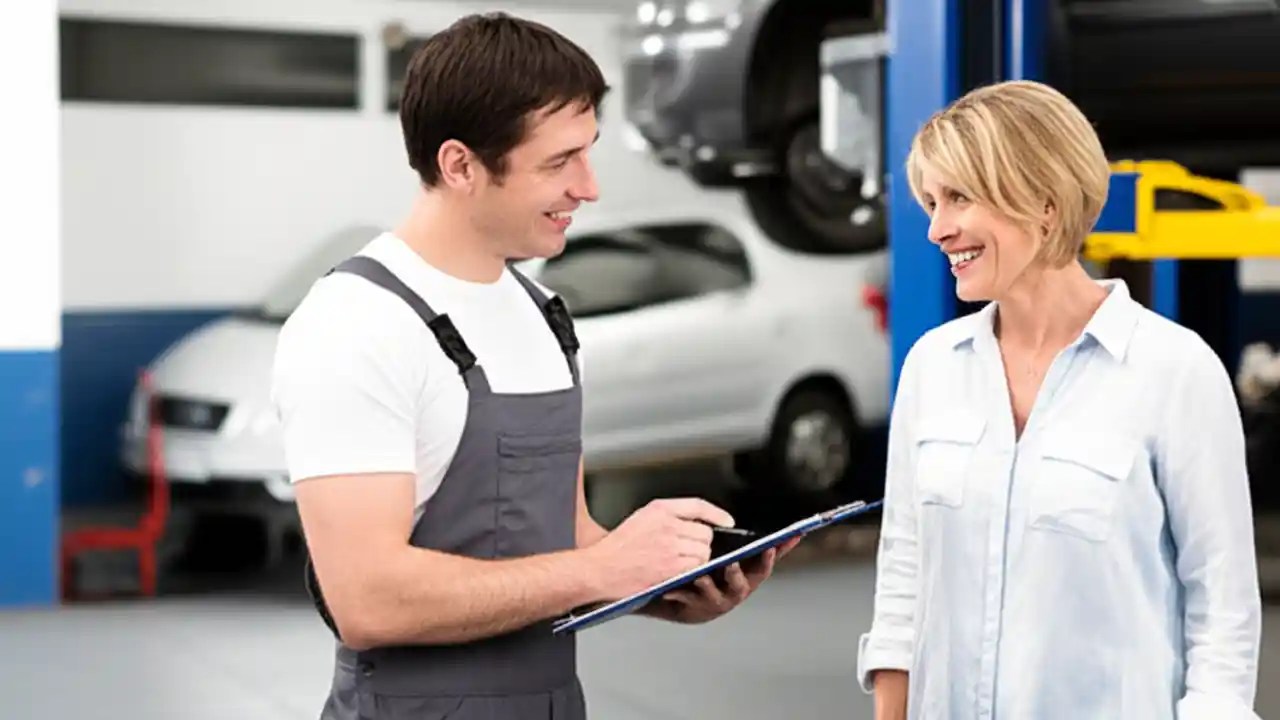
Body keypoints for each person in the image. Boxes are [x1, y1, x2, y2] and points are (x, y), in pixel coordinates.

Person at [271, 12, 796, 720]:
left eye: (589, 152)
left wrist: (662, 587)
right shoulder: (357, 324)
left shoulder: (542, 310)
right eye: (558, 162)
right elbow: (367, 598)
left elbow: (566, 543)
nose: (589, 187)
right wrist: (598, 569)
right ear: (460, 166)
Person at [857, 79, 1263, 720]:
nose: (937, 229)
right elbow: (905, 579)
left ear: (1042, 202)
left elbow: (1223, 609)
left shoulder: (1174, 371)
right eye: (931, 201)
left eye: (958, 197)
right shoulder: (932, 368)